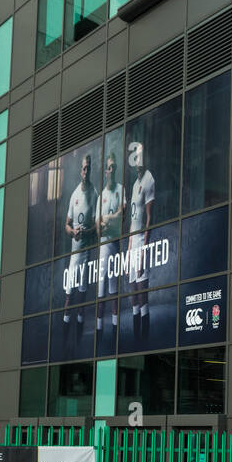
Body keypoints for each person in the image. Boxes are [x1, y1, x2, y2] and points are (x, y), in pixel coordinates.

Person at [63, 153, 97, 328]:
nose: (86, 171)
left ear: (91, 170)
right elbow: (67, 225)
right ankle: (66, 327)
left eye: (88, 168)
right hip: (74, 255)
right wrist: (73, 232)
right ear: (80, 170)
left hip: (86, 255)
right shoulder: (74, 194)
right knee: (70, 294)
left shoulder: (95, 194)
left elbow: (97, 227)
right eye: (84, 168)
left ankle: (79, 329)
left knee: (83, 295)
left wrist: (87, 233)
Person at [127, 140, 155, 342]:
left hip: (142, 241)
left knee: (142, 292)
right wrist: (129, 251)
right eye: (136, 157)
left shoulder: (148, 180)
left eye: (141, 157)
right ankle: (136, 337)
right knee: (133, 294)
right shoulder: (135, 184)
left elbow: (149, 218)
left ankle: (145, 337)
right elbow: (132, 221)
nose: (139, 161)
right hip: (132, 242)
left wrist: (144, 250)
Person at [96, 152, 125, 332]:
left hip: (115, 245)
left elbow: (121, 215)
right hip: (103, 247)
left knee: (114, 290)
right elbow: (98, 227)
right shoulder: (101, 196)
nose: (111, 169)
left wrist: (108, 219)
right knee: (101, 290)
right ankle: (99, 329)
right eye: (109, 167)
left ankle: (115, 328)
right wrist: (107, 221)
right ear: (106, 171)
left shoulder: (121, 190)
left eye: (113, 166)